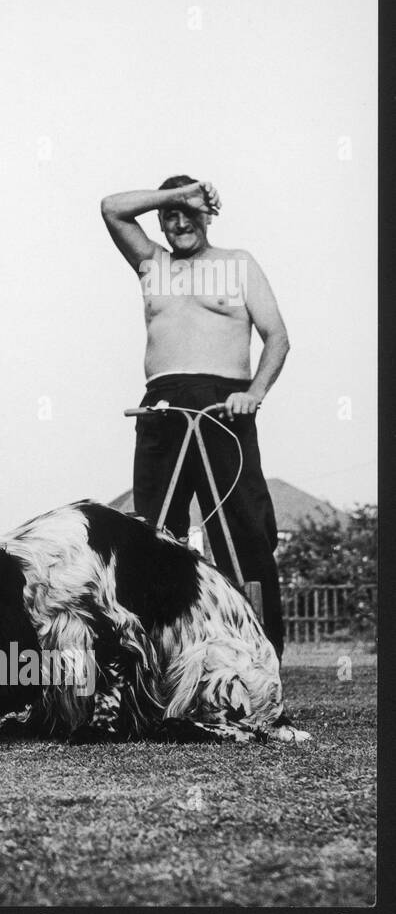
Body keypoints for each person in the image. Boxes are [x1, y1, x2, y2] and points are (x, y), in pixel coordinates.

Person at [100, 176, 290, 655]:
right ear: (161, 219)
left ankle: (261, 657)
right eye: (170, 215)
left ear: (208, 216)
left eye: (190, 213)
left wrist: (255, 392)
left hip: (226, 405)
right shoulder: (153, 266)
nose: (180, 223)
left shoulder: (236, 263)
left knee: (243, 531)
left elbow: (277, 337)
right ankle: (157, 661)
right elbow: (111, 208)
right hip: (162, 405)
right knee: (154, 534)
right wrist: (178, 195)